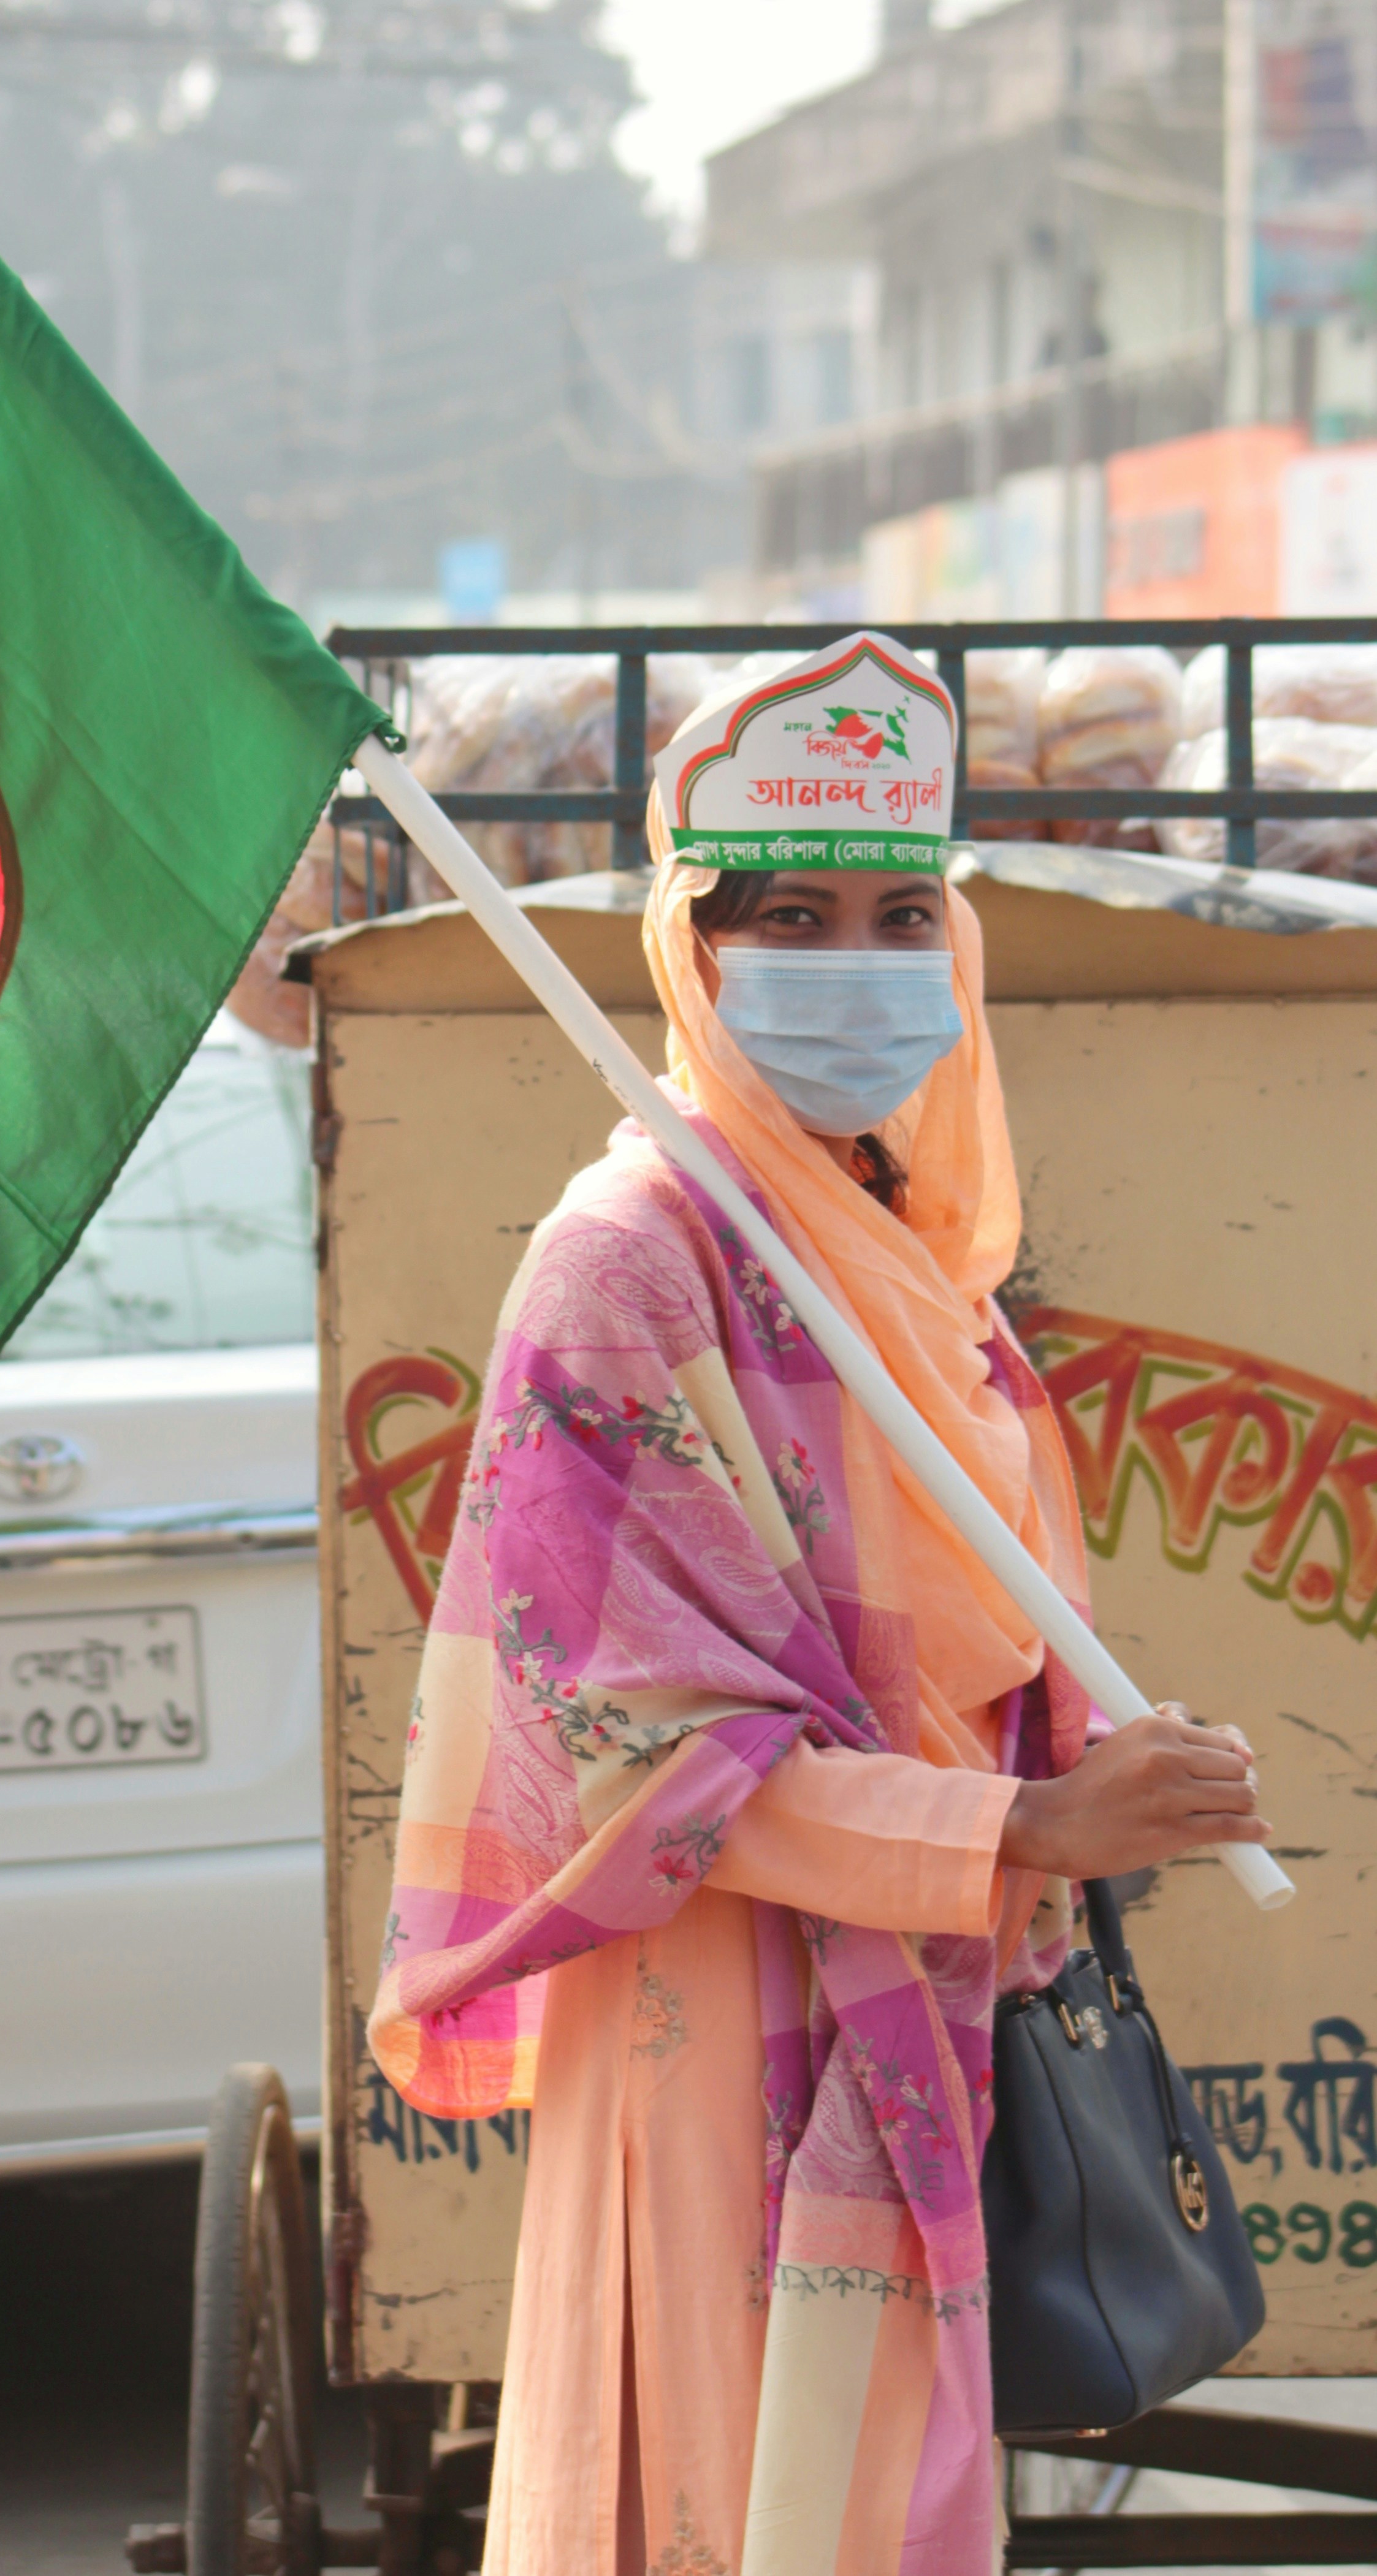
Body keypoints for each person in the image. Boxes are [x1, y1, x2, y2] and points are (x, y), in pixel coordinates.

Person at [366, 634, 1268, 2576]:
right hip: (726, 2018)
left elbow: (986, 1646)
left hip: (940, 1992)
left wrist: (1109, 1775)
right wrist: (1020, 1827)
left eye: (898, 913)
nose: (858, 961)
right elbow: (631, 1748)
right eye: (795, 913)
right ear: (700, 947)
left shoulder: (908, 1257)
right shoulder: (624, 1267)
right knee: (745, 2503)